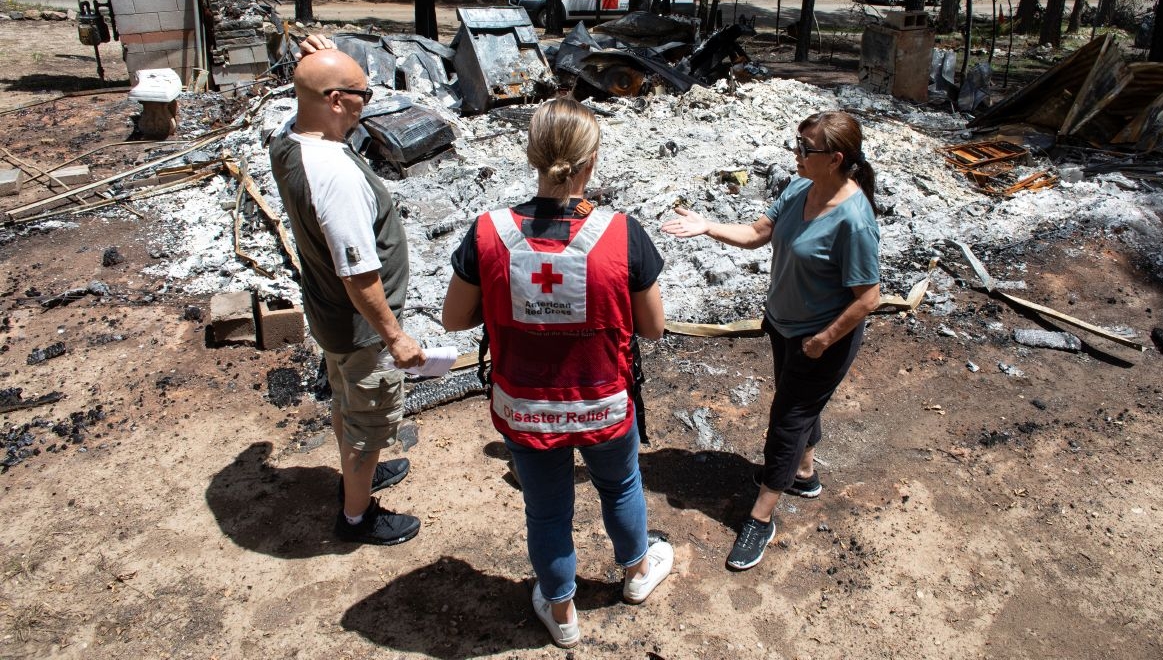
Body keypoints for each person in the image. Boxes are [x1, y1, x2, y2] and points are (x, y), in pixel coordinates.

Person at [441, 97, 674, 648]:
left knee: (546, 509)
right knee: (619, 485)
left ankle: (562, 610)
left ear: (531, 155)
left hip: (525, 406)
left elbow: (454, 318)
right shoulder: (624, 233)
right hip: (604, 403)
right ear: (591, 160)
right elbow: (654, 328)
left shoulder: (487, 232)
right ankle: (637, 575)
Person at [662, 110, 881, 571]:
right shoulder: (800, 188)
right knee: (797, 403)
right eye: (796, 144)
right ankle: (803, 474)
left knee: (788, 416)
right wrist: (709, 226)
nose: (795, 154)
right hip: (784, 325)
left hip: (822, 337)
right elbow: (759, 233)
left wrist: (823, 340)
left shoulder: (854, 220)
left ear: (836, 158)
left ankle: (761, 518)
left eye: (805, 148)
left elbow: (869, 298)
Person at [269, 41, 427, 546]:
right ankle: (356, 516)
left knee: (344, 400)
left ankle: (361, 473)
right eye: (363, 92)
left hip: (328, 315)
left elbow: (312, 89)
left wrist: (327, 57)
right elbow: (358, 274)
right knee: (366, 423)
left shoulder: (288, 139)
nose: (369, 101)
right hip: (360, 330)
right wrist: (395, 337)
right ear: (336, 100)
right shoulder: (335, 176)